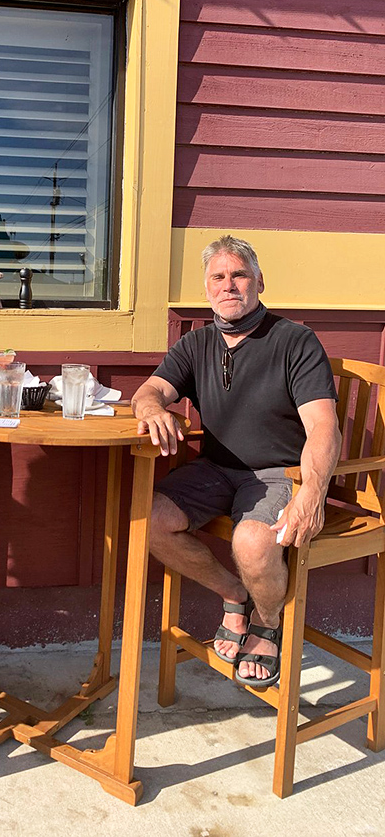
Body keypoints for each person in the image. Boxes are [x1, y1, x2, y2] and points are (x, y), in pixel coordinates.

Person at [132, 236, 341, 687]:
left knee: (253, 542)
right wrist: (151, 409)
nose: (229, 285)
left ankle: (267, 624)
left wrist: (313, 492)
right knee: (145, 518)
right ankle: (234, 594)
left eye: (239, 275)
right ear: (207, 289)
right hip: (214, 470)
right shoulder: (196, 344)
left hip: (277, 472)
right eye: (218, 277)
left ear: (259, 282)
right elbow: (149, 392)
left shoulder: (295, 341)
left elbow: (324, 427)